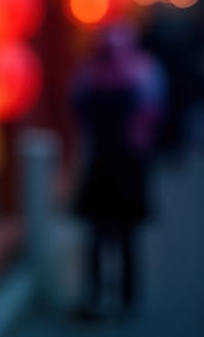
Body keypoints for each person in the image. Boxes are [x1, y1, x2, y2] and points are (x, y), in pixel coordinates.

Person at [70, 19, 167, 319]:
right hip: (105, 165)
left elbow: (153, 115)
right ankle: (99, 295)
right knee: (100, 237)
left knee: (124, 237)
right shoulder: (90, 74)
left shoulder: (142, 72)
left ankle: (124, 297)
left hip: (123, 166)